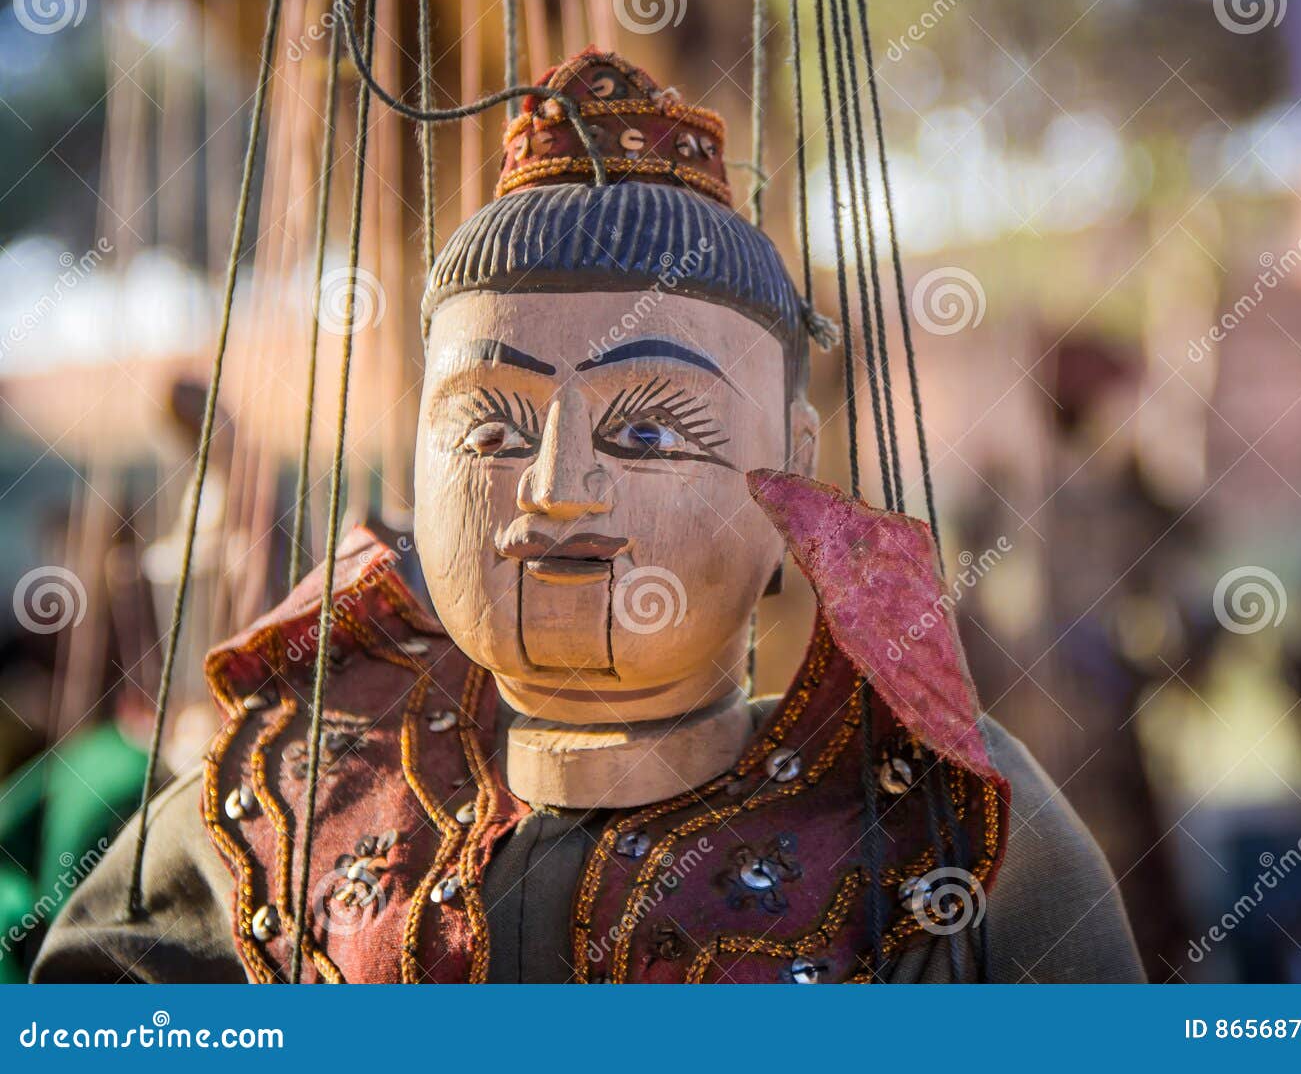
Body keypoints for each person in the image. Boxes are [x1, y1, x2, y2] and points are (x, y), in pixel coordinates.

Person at [35, 49, 1142, 984]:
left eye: (648, 433)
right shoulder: (291, 793)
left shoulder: (938, 821)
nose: (555, 488)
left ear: (793, 477)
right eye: (491, 431)